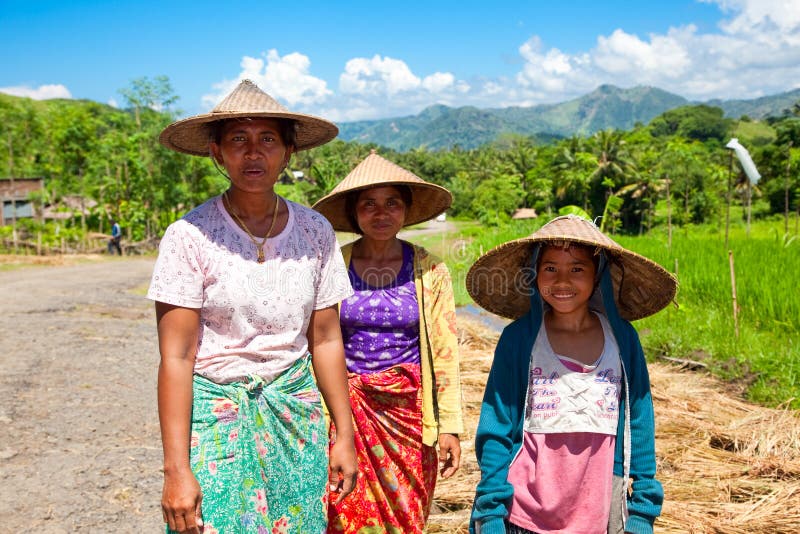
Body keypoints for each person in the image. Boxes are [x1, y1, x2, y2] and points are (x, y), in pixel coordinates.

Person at [148, 79, 358, 534]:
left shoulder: (315, 232)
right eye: (238, 140)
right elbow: (177, 357)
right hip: (217, 417)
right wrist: (176, 469)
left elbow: (324, 338)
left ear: (288, 152)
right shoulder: (189, 236)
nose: (253, 153)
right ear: (217, 153)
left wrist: (344, 433)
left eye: (267, 140)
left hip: (296, 417)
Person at [466, 215, 677, 534]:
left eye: (577, 268)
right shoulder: (519, 339)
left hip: (599, 513)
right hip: (522, 514)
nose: (562, 281)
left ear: (598, 275)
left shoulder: (622, 340)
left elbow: (639, 422)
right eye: (550, 268)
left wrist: (643, 507)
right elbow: (497, 427)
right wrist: (491, 511)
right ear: (535, 273)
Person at [312, 150, 465, 534]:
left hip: (411, 416)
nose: (381, 213)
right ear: (354, 213)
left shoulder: (430, 269)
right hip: (348, 411)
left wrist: (449, 425)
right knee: (345, 512)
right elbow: (319, 339)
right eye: (369, 204)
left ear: (406, 210)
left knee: (407, 517)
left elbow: (445, 351)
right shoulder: (333, 264)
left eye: (392, 203)